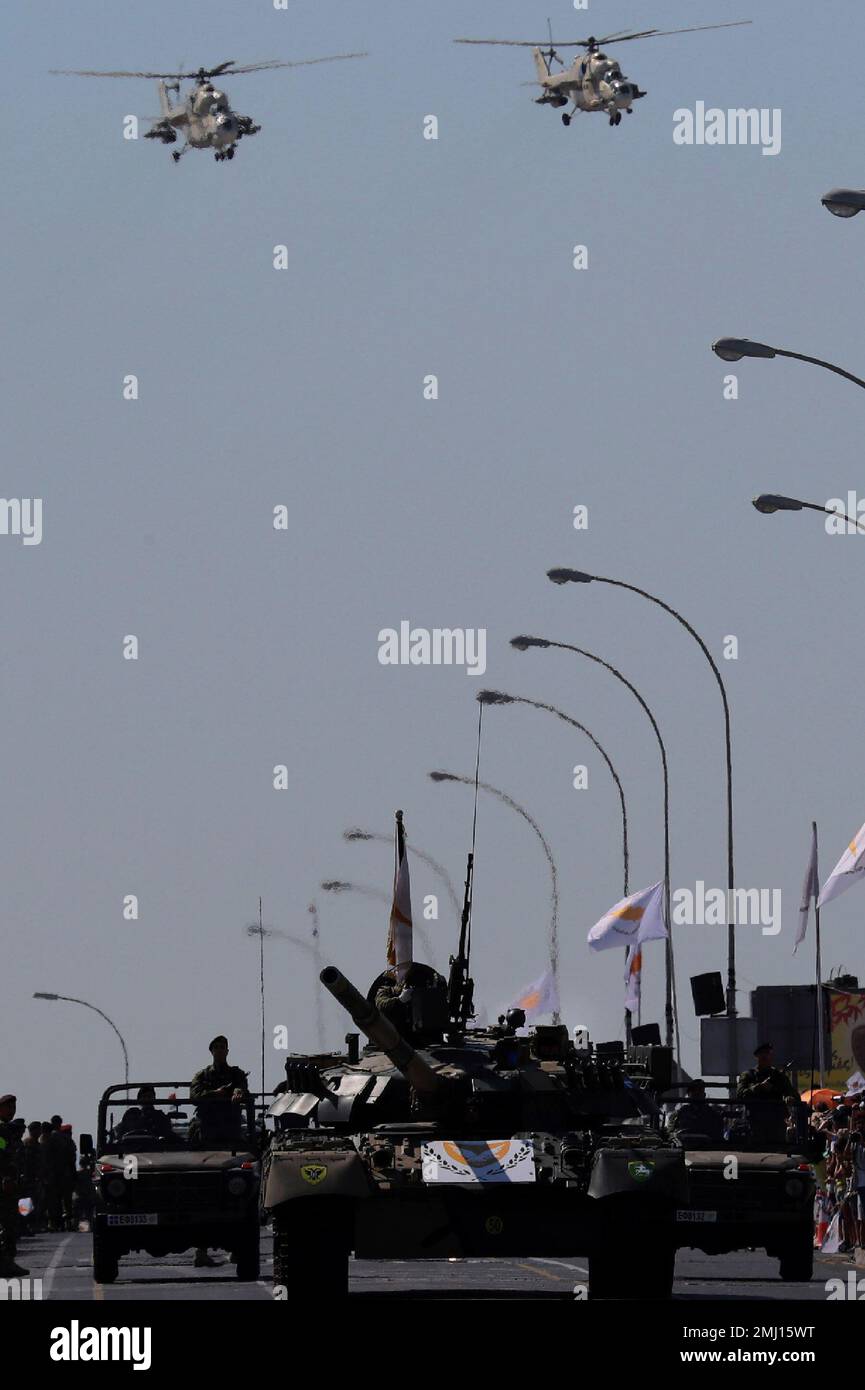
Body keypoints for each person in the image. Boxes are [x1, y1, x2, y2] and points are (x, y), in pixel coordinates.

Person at [189, 1036, 249, 1268]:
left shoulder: (236, 1074)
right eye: (217, 1047)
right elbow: (195, 1096)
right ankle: (201, 1251)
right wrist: (217, 1093)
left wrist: (236, 1093)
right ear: (211, 1051)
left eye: (223, 1047)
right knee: (203, 1194)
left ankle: (237, 1249)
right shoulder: (202, 1076)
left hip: (231, 1139)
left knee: (236, 1192)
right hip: (208, 1139)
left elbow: (242, 1090)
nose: (220, 1051)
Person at [0, 1094, 27, 1277]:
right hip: (4, 1184)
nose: (12, 1111)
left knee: (9, 1223)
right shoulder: (1, 1131)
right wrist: (6, 1178)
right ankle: (6, 1263)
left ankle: (8, 1261)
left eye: (14, 1108)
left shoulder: (5, 1129)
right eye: (9, 1108)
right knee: (7, 1224)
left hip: (9, 1182)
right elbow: (2, 1157)